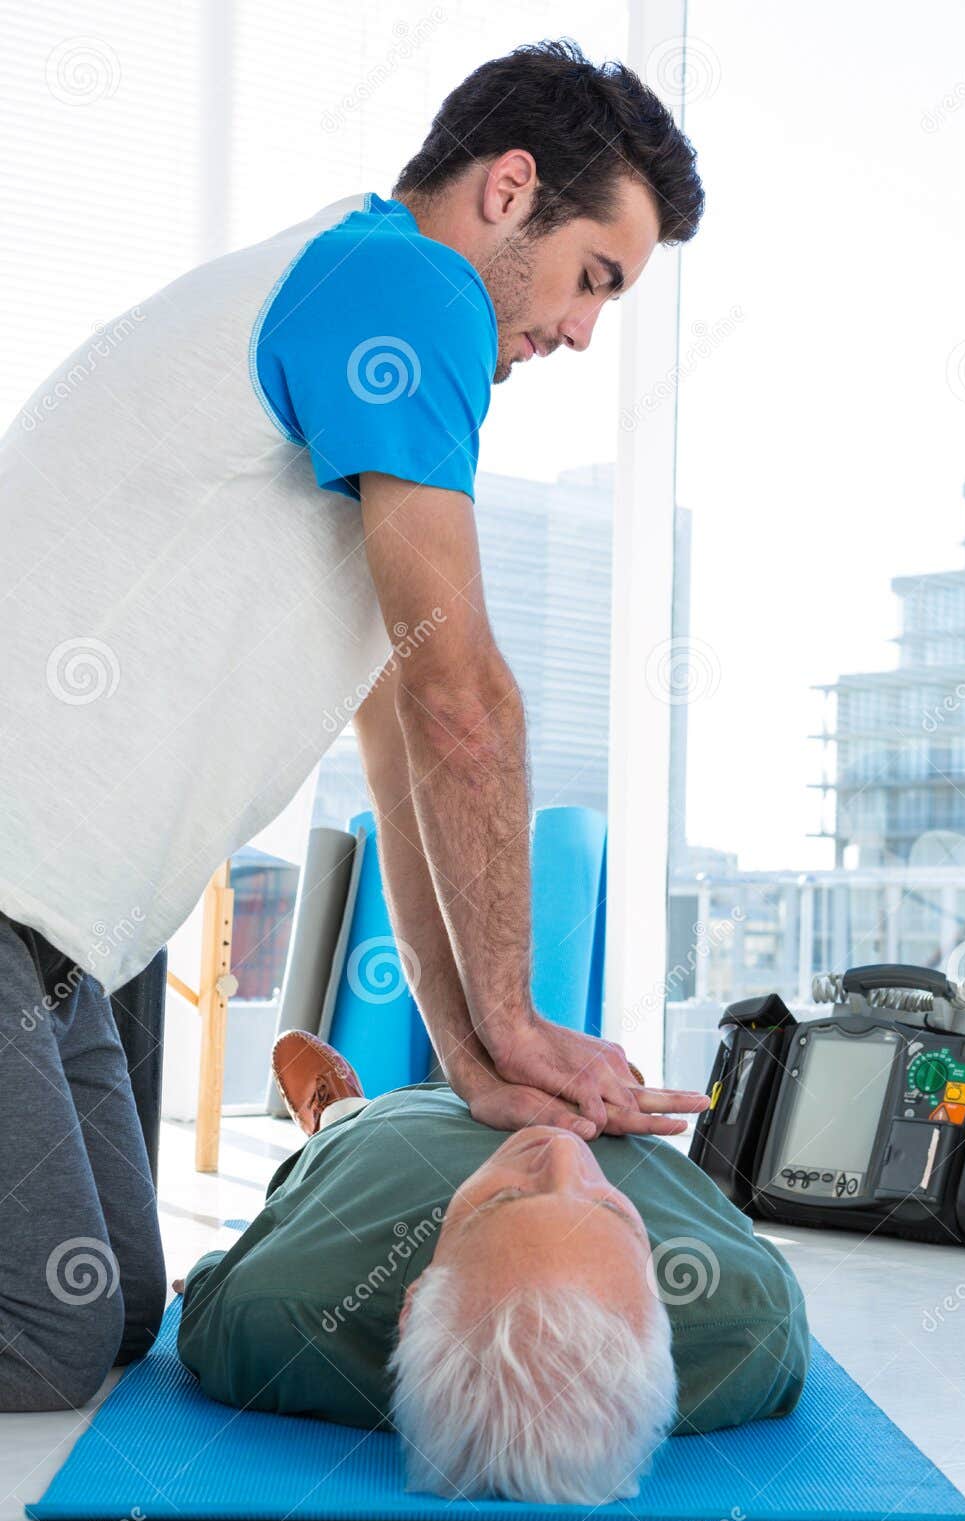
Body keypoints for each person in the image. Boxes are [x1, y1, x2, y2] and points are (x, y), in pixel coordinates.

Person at [0, 40, 705, 1410]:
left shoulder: (361, 355)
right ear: (508, 189)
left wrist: (473, 1048)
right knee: (48, 1333)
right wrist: (516, 1019)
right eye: (591, 280)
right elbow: (464, 704)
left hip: (58, 944)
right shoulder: (403, 285)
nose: (578, 332)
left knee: (119, 1306)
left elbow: (399, 746)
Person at [176, 1032, 810, 1507]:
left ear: (413, 1298)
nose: (560, 1153)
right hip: (612, 1132)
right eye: (612, 1213)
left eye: (505, 1200)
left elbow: (211, 1289)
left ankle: (336, 1114)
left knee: (349, 1139)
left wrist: (207, 1273)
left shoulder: (279, 1312)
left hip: (386, 1141)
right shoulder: (752, 1324)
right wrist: (597, 1127)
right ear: (664, 1321)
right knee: (592, 1113)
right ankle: (595, 1098)